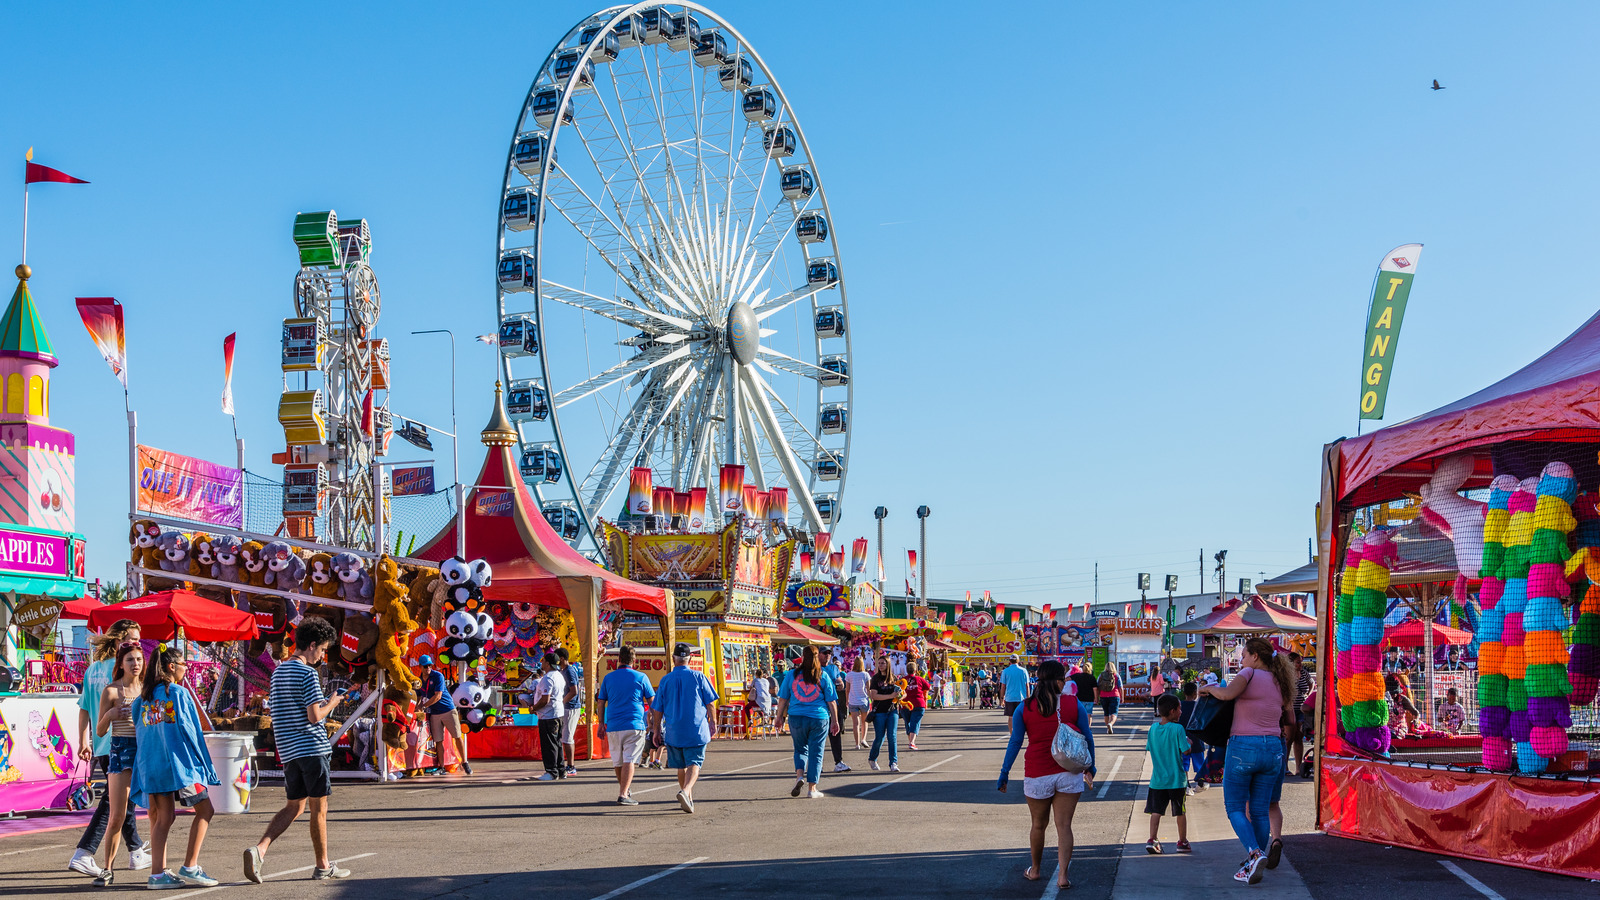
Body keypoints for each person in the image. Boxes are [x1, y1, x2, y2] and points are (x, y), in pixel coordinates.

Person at [245, 617, 351, 884]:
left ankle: (260, 850)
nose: (323, 656)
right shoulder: (307, 673)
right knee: (319, 809)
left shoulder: (279, 671)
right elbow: (315, 716)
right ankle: (323, 866)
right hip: (312, 748)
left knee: (294, 806)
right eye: (323, 649)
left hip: (289, 751)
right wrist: (333, 702)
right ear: (312, 645)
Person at [1199, 636, 1295, 885]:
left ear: (1255, 656)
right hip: (1274, 748)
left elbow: (1227, 694)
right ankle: (1255, 860)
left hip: (1244, 745)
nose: (1241, 660)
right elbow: (1289, 715)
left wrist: (1208, 688)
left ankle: (1254, 854)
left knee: (1234, 807)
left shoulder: (1249, 673)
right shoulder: (1280, 680)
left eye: (1243, 656)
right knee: (1260, 810)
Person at [997, 660, 1096, 891]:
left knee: (1038, 825)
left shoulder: (1025, 707)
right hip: (1068, 771)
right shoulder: (1074, 703)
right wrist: (1091, 767)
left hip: (1037, 773)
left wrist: (1004, 772)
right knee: (1064, 826)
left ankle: (1035, 870)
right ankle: (1063, 875)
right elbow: (1088, 737)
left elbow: (1015, 742)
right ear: (1059, 680)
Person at [133, 643, 221, 888]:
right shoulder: (179, 694)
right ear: (171, 667)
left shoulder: (143, 699)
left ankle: (157, 875)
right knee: (206, 811)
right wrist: (204, 764)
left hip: (153, 765)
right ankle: (190, 866)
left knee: (164, 818)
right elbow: (192, 732)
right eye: (184, 664)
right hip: (182, 765)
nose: (186, 669)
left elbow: (141, 733)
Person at [69, 619, 150, 880]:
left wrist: (84, 740)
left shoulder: (92, 668)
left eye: (138, 644)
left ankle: (135, 850)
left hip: (105, 744)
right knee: (113, 806)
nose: (137, 649)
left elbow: (83, 707)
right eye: (133, 640)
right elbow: (98, 709)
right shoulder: (112, 673)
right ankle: (85, 851)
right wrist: (91, 738)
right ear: (120, 642)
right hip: (115, 743)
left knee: (123, 804)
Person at [91, 641, 145, 885]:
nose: (136, 664)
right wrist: (110, 715)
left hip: (146, 750)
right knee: (117, 815)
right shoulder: (112, 691)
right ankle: (108, 868)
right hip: (121, 750)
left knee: (156, 812)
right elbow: (100, 732)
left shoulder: (148, 690)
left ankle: (159, 867)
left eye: (139, 660)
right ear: (121, 664)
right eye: (130, 660)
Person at [649, 643, 719, 813]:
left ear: (673, 659)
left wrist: (656, 729)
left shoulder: (665, 680)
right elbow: (710, 703)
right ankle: (686, 792)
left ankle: (688, 798)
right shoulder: (699, 677)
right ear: (690, 659)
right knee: (694, 762)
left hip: (674, 731)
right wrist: (713, 722)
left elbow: (657, 709)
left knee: (682, 766)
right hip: (696, 730)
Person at [775, 646, 840, 798]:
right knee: (816, 753)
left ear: (802, 657)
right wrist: (835, 721)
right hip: (818, 718)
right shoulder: (823, 676)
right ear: (818, 658)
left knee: (800, 749)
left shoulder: (791, 674)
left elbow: (783, 698)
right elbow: (832, 701)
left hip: (796, 717)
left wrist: (779, 717)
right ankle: (812, 789)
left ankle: (799, 777)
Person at [596, 645, 655, 805]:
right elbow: (652, 702)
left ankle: (625, 790)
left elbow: (601, 702)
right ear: (634, 661)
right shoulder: (641, 677)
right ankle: (623, 793)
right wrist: (653, 722)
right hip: (634, 724)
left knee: (618, 761)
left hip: (613, 725)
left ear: (618, 659)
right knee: (629, 760)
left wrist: (601, 723)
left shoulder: (609, 678)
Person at [1145, 694, 1191, 854]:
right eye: (1179, 709)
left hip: (1157, 780)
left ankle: (1152, 839)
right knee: (1180, 811)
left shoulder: (1153, 729)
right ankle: (1182, 842)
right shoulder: (1178, 729)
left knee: (1156, 811)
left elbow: (1150, 748)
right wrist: (1188, 742)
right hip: (1177, 780)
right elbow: (1185, 750)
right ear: (1172, 711)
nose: (1181, 711)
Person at [418, 655, 471, 775]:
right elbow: (419, 696)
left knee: (457, 736)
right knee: (438, 740)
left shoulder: (437, 676)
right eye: (425, 666)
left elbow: (438, 695)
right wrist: (417, 707)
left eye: (430, 665)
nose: (428, 668)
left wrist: (423, 706)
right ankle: (441, 767)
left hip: (448, 710)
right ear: (420, 667)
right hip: (434, 713)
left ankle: (465, 762)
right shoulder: (419, 680)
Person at [528, 652, 568, 780]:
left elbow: (545, 699)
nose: (542, 662)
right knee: (557, 743)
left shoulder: (548, 678)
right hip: (557, 713)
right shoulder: (559, 675)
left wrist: (534, 708)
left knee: (549, 744)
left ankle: (551, 772)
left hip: (548, 715)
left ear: (548, 664)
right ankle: (561, 770)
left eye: (543, 660)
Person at [867, 656, 903, 772]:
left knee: (892, 736)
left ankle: (893, 762)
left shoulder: (893, 678)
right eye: (879, 663)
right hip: (879, 712)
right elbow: (873, 695)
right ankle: (872, 758)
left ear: (888, 664)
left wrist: (900, 695)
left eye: (883, 663)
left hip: (892, 711)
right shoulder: (875, 679)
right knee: (879, 737)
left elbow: (903, 693)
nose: (881, 665)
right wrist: (890, 696)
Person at [557, 646, 582, 777]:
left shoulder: (569, 671)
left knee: (567, 737)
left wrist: (561, 702)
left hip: (571, 707)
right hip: (566, 707)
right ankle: (566, 764)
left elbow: (574, 691)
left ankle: (571, 766)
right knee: (564, 737)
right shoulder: (564, 671)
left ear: (562, 658)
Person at [1289, 653, 1313, 777]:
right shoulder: (1287, 674)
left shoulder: (1304, 673)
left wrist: (1308, 695)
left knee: (1298, 737)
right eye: (1298, 662)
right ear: (1291, 663)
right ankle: (1285, 768)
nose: (1300, 664)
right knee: (1288, 738)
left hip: (1302, 709)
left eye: (1300, 662)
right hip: (1289, 709)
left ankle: (1298, 767)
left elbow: (1311, 683)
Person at [843, 656, 872, 749]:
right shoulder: (865, 675)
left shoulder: (849, 675)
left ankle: (857, 744)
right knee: (864, 722)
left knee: (855, 723)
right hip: (864, 700)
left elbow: (847, 690)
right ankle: (863, 739)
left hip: (853, 700)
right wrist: (872, 699)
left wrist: (847, 700)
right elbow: (868, 689)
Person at [902, 661, 931, 750]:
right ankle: (912, 742)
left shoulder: (903, 680)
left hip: (905, 704)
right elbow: (928, 687)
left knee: (908, 723)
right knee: (915, 722)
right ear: (915, 670)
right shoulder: (920, 679)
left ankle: (911, 742)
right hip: (918, 703)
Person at [1001, 654, 1030, 718]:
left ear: (1010, 661)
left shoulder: (1005, 671)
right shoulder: (1024, 671)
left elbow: (1003, 686)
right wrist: (1028, 698)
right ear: (1018, 660)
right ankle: (1019, 728)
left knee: (1011, 717)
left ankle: (1011, 728)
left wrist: (1002, 698)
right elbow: (1027, 686)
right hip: (1021, 698)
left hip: (1009, 698)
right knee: (1021, 716)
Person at [747, 666, 773, 732]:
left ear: (756, 675)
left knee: (747, 707)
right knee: (759, 707)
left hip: (760, 699)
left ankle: (750, 720)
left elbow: (751, 687)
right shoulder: (766, 681)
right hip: (768, 700)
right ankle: (764, 719)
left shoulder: (755, 680)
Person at [1097, 665, 1122, 734]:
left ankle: (1108, 728)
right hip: (1114, 695)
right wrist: (1122, 697)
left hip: (1103, 696)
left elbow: (1098, 686)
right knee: (1114, 713)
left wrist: (1097, 697)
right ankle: (1110, 724)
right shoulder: (1116, 675)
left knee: (1106, 713)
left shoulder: (1101, 675)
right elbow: (1120, 687)